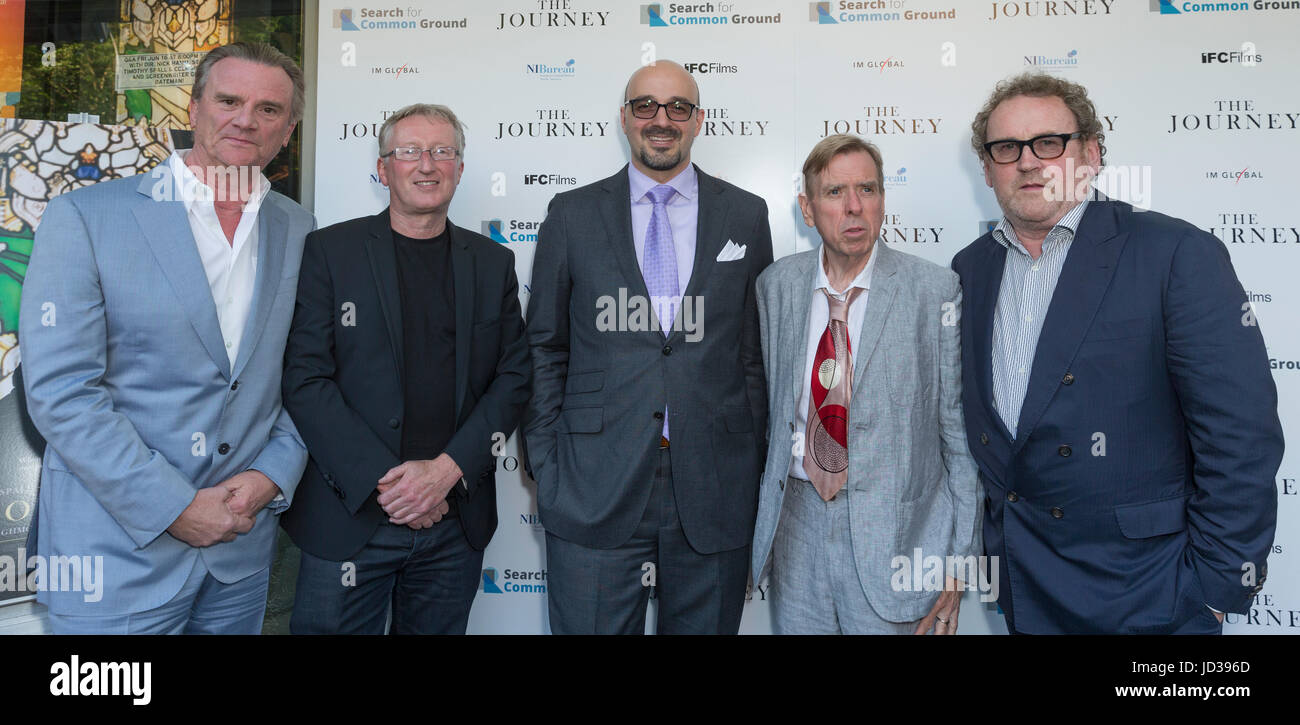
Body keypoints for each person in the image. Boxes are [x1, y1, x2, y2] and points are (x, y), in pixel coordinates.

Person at [952, 72, 1282, 634]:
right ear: (987, 167)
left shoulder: (1174, 252)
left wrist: (1215, 586)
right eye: (1006, 148)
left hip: (1154, 596)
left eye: (1049, 143)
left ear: (1092, 153)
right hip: (1027, 593)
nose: (1028, 162)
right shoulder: (970, 270)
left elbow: (1240, 436)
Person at [19, 42, 311, 634]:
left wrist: (272, 476)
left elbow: (308, 374)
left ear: (288, 131)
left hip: (241, 549)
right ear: (195, 107)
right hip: (113, 551)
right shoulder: (85, 217)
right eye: (228, 100)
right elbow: (62, 391)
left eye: (269, 109)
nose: (245, 119)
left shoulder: (300, 229)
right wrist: (175, 507)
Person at [523, 60, 773, 634]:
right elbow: (544, 347)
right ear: (624, 118)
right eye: (646, 106)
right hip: (592, 483)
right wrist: (547, 464)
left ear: (699, 120)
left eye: (678, 107)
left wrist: (747, 459)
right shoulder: (571, 213)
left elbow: (752, 354)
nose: (662, 120)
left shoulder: (746, 213)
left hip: (713, 485)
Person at [280, 103, 530, 634]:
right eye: (409, 151)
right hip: (348, 517)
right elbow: (305, 379)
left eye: (443, 152)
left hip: (453, 519)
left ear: (460, 168)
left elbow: (514, 378)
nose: (426, 165)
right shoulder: (329, 251)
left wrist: (444, 473)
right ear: (382, 168)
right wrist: (388, 485)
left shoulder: (492, 263)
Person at [750, 135, 980, 635]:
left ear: (882, 200)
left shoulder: (935, 290)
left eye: (867, 189)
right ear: (807, 210)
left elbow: (957, 439)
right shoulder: (776, 288)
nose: (854, 207)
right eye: (834, 193)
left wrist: (959, 563)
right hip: (797, 527)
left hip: (897, 538)